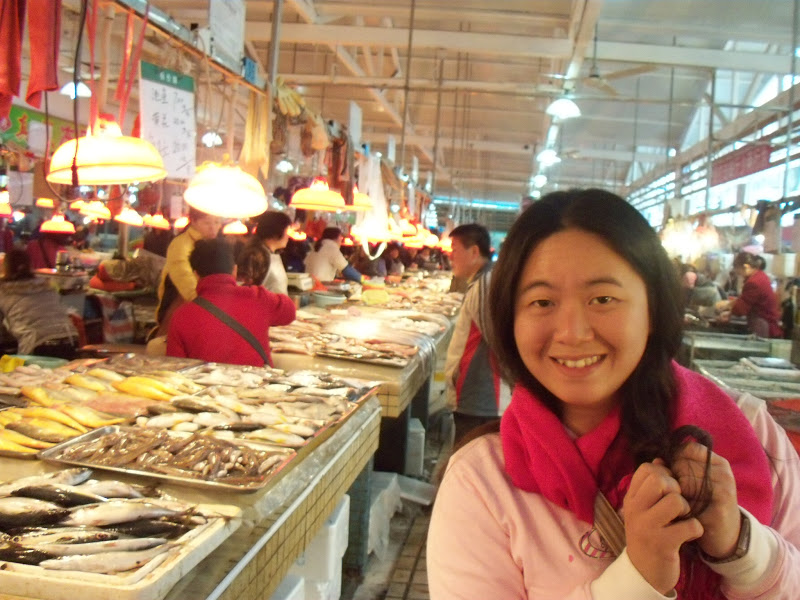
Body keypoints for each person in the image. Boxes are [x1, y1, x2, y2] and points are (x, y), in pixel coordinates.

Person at [428, 189, 800, 599]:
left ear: (653, 310)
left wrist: (743, 547)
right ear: (510, 320)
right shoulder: (483, 481)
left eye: (603, 298)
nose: (572, 332)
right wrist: (636, 580)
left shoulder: (750, 434)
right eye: (542, 301)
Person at [166, 238, 296, 367]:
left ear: (196, 275)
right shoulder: (258, 297)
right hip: (256, 385)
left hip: (206, 386)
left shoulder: (181, 316)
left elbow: (176, 367)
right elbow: (290, 312)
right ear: (234, 270)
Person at [444, 223, 508, 442]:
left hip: (481, 399)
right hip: (479, 398)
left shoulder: (484, 286)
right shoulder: (484, 281)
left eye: (454, 249)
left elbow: (499, 341)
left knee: (468, 466)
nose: (450, 256)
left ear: (473, 252)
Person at [152, 208, 222, 339]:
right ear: (193, 221)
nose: (213, 228)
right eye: (207, 223)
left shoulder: (216, 246)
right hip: (178, 307)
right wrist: (208, 306)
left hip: (204, 310)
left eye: (217, 222)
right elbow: (184, 278)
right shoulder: (181, 244)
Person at [0, 248, 77, 358]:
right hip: (70, 338)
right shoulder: (47, 284)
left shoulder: (3, 289)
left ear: (5, 267)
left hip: (37, 343)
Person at [715, 252, 783, 338]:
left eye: (739, 272)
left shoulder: (754, 282)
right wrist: (729, 307)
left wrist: (729, 313)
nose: (739, 275)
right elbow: (745, 299)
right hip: (765, 323)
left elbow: (741, 309)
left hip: (764, 325)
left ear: (746, 267)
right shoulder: (760, 275)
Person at [237, 211, 292, 294]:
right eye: (287, 231)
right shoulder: (255, 254)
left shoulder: (272, 253)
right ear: (276, 232)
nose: (288, 236)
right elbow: (245, 289)